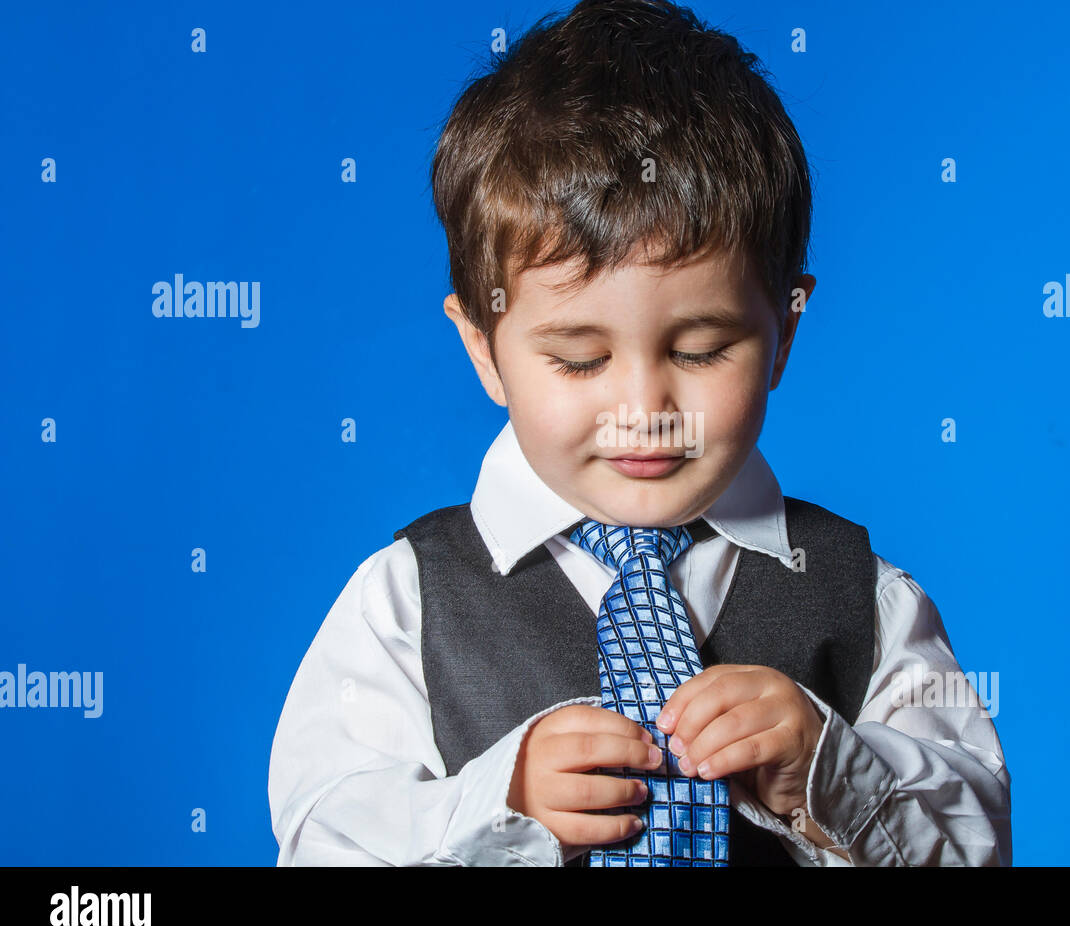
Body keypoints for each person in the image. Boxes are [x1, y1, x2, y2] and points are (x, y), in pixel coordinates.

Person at [268, 0, 1011, 866]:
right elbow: (324, 841)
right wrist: (495, 805)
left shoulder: (868, 599)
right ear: (485, 349)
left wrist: (827, 769)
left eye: (700, 350)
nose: (642, 406)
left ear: (784, 334)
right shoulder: (406, 604)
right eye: (580, 360)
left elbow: (978, 847)